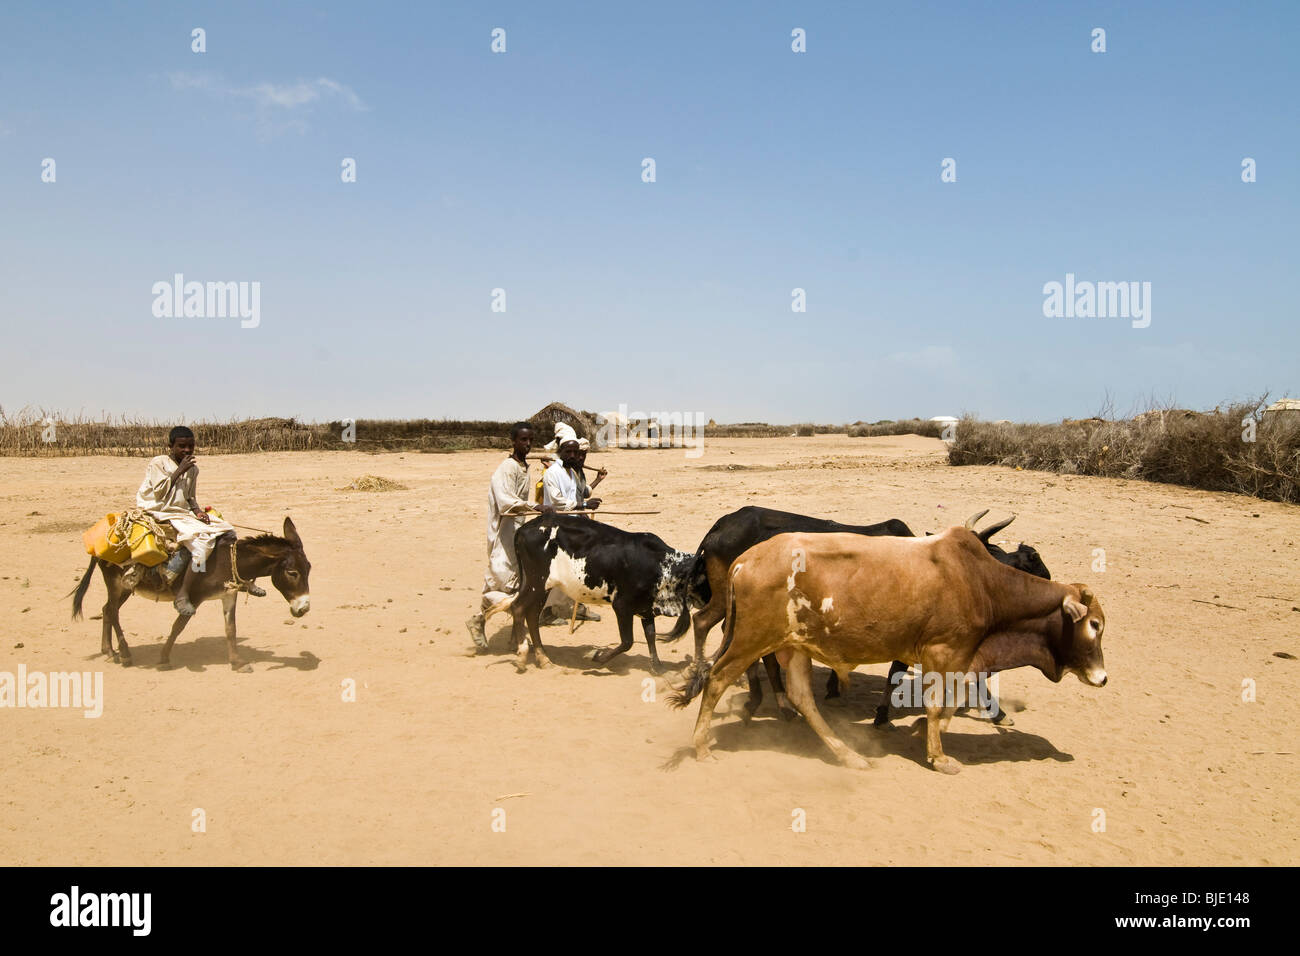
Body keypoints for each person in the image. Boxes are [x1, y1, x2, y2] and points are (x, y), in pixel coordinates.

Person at [137, 426, 259, 616]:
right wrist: (179, 470)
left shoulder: (193, 469)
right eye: (181, 446)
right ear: (170, 446)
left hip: (182, 512)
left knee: (228, 531)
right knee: (201, 543)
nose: (186, 450)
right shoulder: (158, 463)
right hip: (159, 510)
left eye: (190, 447)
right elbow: (159, 493)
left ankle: (237, 578)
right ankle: (183, 593)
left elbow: (190, 497)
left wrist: (198, 511)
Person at [466, 422, 552, 650]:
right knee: (500, 583)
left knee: (518, 586)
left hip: (518, 534)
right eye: (523, 440)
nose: (527, 444)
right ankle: (478, 619)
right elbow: (506, 502)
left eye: (530, 440)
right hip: (503, 535)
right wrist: (535, 507)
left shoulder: (524, 467)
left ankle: (517, 636)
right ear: (513, 441)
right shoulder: (506, 468)